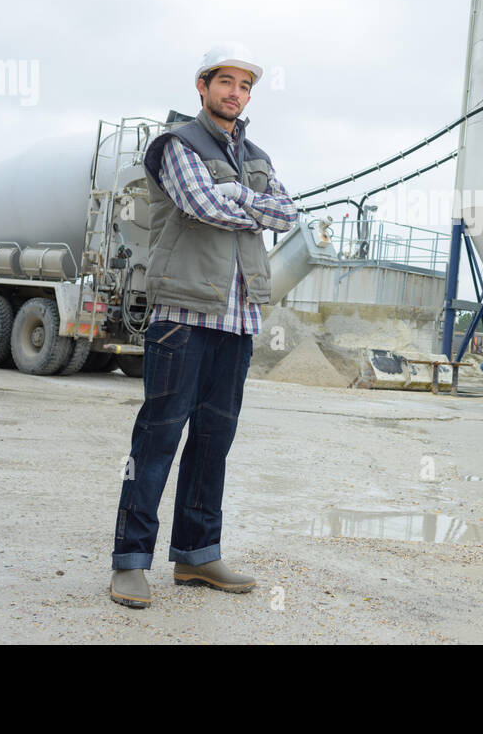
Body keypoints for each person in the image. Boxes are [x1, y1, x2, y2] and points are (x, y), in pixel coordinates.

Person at [109, 43, 298, 609]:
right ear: (203, 86)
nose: (235, 93)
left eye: (245, 85)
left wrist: (237, 193)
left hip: (237, 318)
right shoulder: (176, 144)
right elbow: (199, 205)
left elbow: (289, 213)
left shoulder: (258, 155)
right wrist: (248, 202)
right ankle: (130, 562)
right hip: (182, 315)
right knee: (159, 436)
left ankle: (196, 556)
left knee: (214, 441)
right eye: (226, 82)